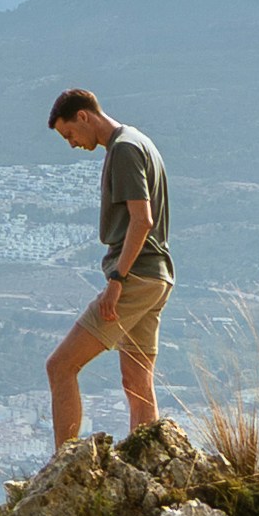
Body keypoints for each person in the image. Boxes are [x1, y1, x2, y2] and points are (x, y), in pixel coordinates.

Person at [41, 88, 174, 448]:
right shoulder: (139, 141)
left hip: (136, 275)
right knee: (136, 379)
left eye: (69, 134)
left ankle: (64, 464)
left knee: (61, 366)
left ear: (84, 116)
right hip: (157, 275)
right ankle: (148, 459)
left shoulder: (124, 149)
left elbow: (141, 220)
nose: (71, 144)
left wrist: (117, 279)